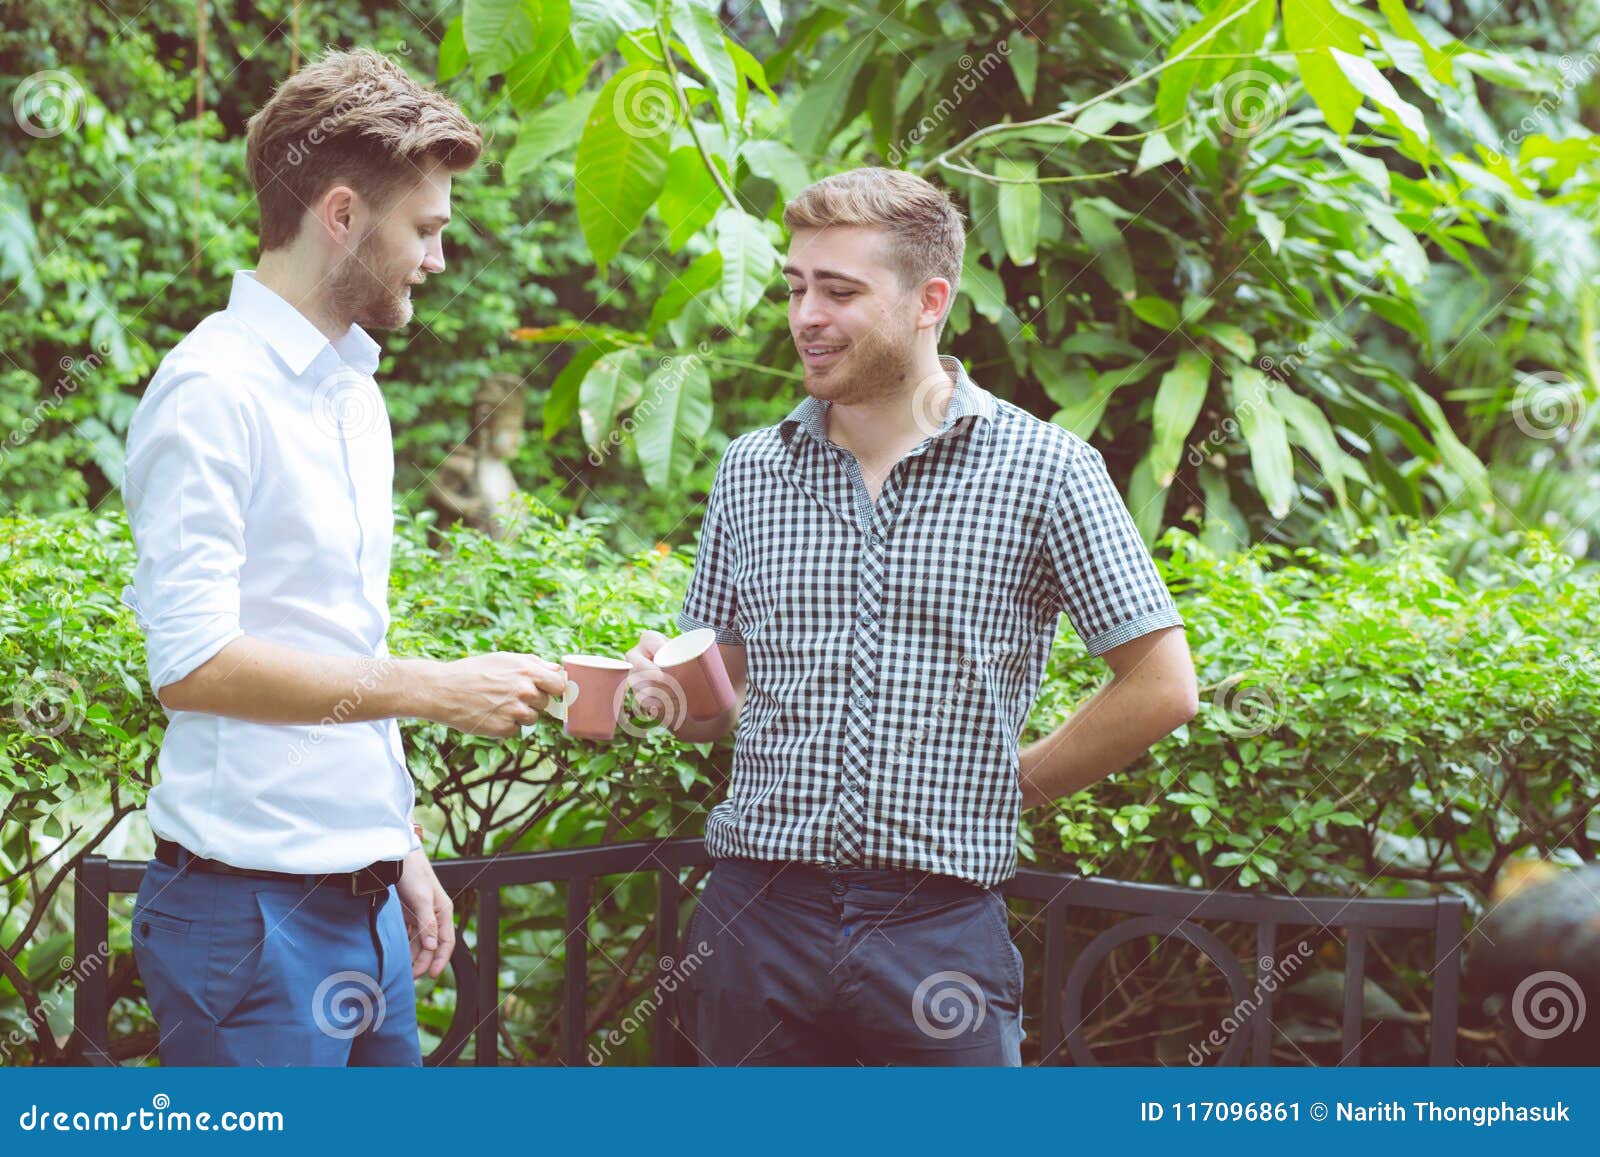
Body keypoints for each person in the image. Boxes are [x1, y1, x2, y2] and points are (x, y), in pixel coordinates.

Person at [626, 167, 1199, 1065]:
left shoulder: (1045, 470)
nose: (805, 314)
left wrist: (1011, 785)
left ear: (930, 299)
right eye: (795, 286)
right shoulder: (750, 470)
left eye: (840, 290)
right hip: (753, 915)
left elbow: (1162, 685)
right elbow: (717, 711)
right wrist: (669, 691)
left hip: (939, 929)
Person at [119, 48, 566, 1066]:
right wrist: (437, 688)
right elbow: (191, 662)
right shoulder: (210, 391)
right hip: (247, 921)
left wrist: (393, 840)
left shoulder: (354, 394)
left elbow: (333, 632)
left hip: (360, 900)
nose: (438, 259)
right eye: (427, 228)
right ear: (340, 214)